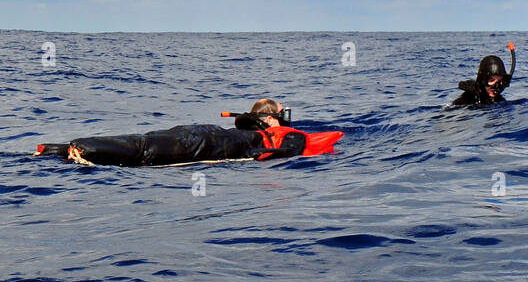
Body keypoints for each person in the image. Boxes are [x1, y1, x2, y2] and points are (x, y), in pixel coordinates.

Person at [34, 99, 343, 167]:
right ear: (272, 117)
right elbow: (290, 150)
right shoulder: (278, 132)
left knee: (144, 142)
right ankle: (83, 150)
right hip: (212, 142)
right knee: (145, 152)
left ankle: (57, 149)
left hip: (200, 132)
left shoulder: (246, 126)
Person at [451, 43, 515, 107]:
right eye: (492, 80)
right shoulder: (469, 99)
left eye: (500, 81)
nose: (496, 86)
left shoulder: (499, 100)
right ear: (483, 80)